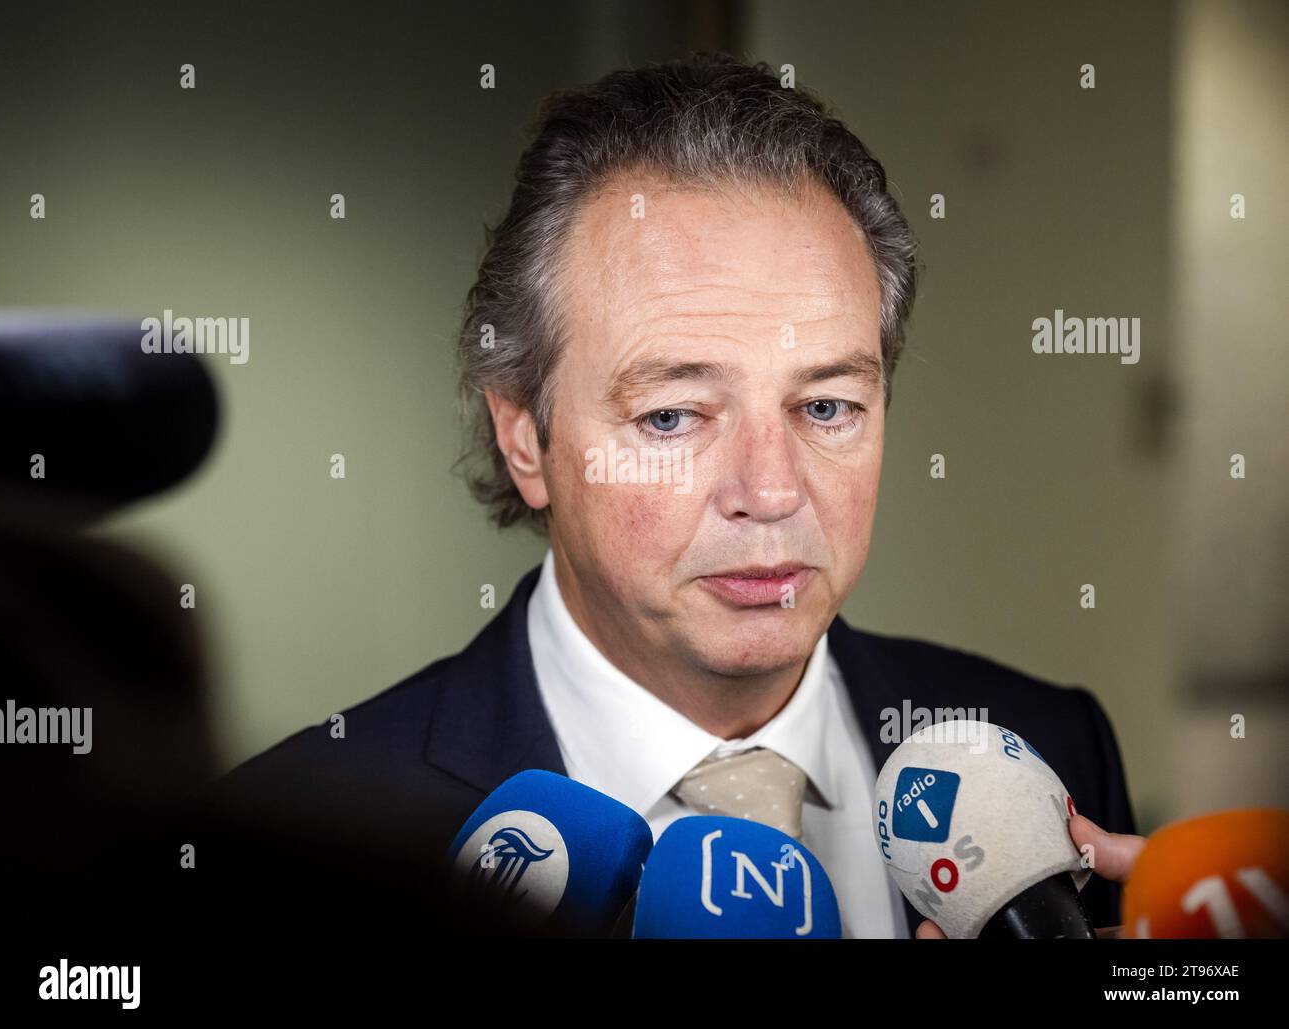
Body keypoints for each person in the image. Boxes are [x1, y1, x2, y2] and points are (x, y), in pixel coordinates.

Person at [221, 53, 1136, 938]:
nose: (770, 491)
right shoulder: (294, 838)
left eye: (826, 405)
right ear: (524, 437)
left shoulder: (1048, 747)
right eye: (671, 417)